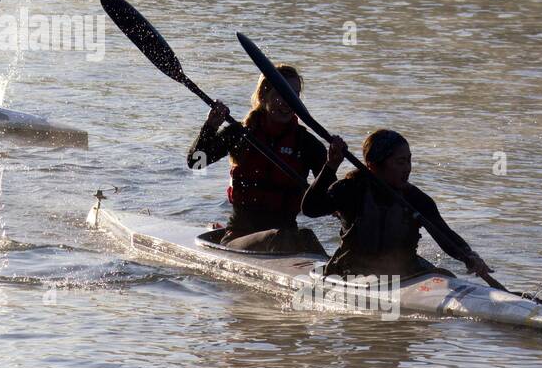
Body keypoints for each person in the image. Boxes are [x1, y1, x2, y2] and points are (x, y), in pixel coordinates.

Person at [302, 129, 493, 280]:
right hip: (352, 271)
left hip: (404, 272)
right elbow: (310, 208)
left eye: (409, 161)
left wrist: (468, 256)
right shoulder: (350, 190)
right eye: (400, 162)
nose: (408, 168)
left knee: (445, 276)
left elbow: (444, 235)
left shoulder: (417, 199)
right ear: (374, 165)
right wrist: (331, 166)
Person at [186, 67, 329, 253]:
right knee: (278, 236)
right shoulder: (240, 134)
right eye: (281, 94)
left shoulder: (308, 144)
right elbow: (196, 163)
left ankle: (336, 274)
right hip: (238, 237)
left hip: (286, 236)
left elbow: (328, 202)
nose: (287, 103)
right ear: (264, 95)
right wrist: (210, 127)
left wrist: (332, 165)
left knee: (305, 235)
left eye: (294, 95)